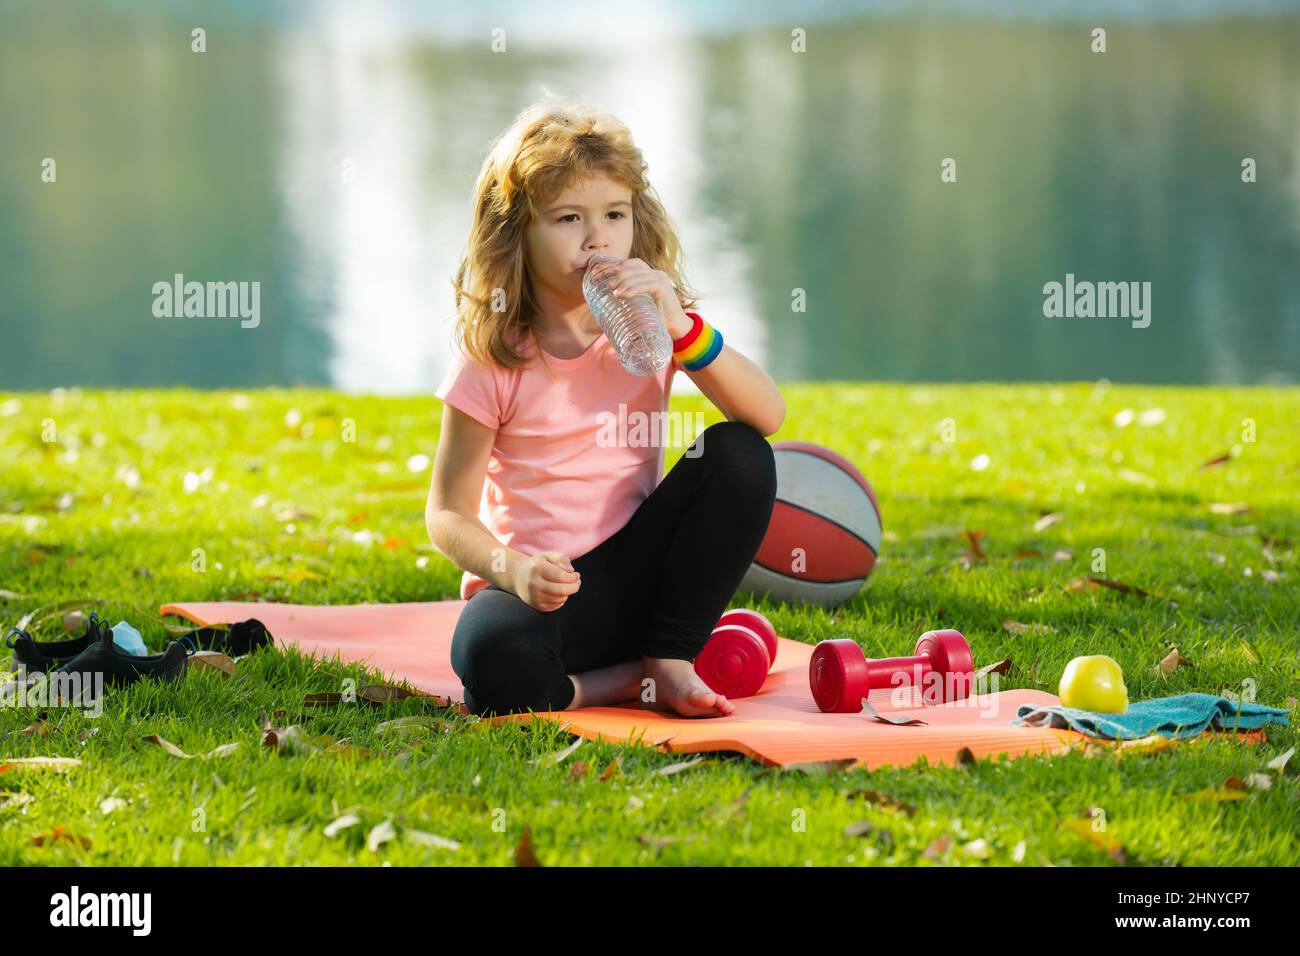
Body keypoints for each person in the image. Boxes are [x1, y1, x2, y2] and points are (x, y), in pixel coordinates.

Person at [427, 97, 784, 719]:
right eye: (568, 218)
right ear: (517, 232)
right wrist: (511, 570)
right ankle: (619, 683)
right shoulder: (494, 358)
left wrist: (685, 329)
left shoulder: (650, 330)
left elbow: (767, 417)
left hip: (640, 580)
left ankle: (670, 658)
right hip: (543, 598)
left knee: (740, 452)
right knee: (489, 656)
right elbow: (447, 513)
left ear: (635, 222)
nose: (598, 238)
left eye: (614, 214)